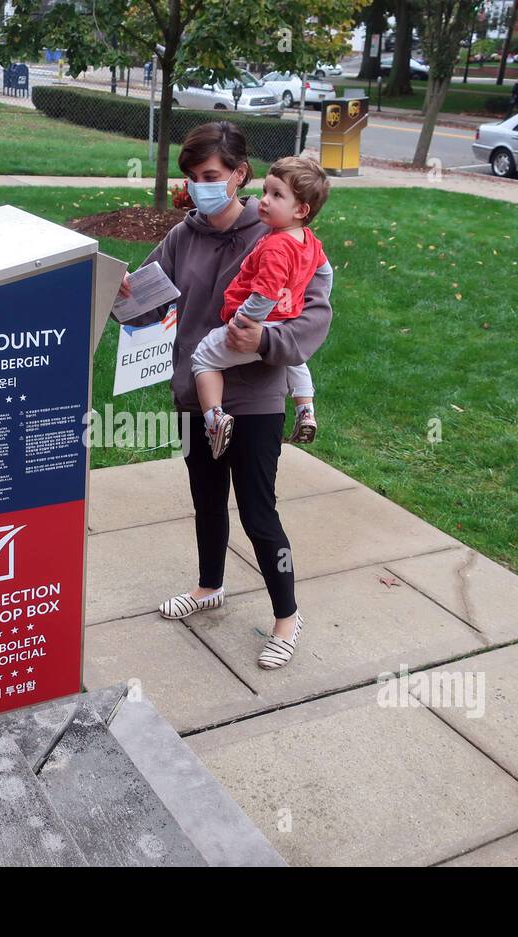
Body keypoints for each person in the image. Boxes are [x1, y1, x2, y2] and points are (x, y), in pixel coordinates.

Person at [115, 122, 333, 669]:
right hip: (197, 392)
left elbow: (316, 315)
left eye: (210, 176)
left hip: (256, 397)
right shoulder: (183, 236)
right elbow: (145, 301)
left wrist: (267, 339)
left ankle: (287, 616)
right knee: (207, 501)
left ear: (240, 175)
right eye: (191, 177)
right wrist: (118, 290)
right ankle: (209, 586)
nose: (197, 187)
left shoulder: (277, 234)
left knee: (260, 513)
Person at [190, 155, 331, 458]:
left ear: (301, 209)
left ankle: (215, 419)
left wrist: (243, 321)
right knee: (294, 360)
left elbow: (265, 294)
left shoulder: (275, 246)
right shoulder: (308, 241)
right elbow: (325, 272)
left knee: (203, 358)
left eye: (277, 195)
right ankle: (306, 410)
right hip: (285, 322)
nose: (264, 201)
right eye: (266, 191)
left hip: (256, 326)